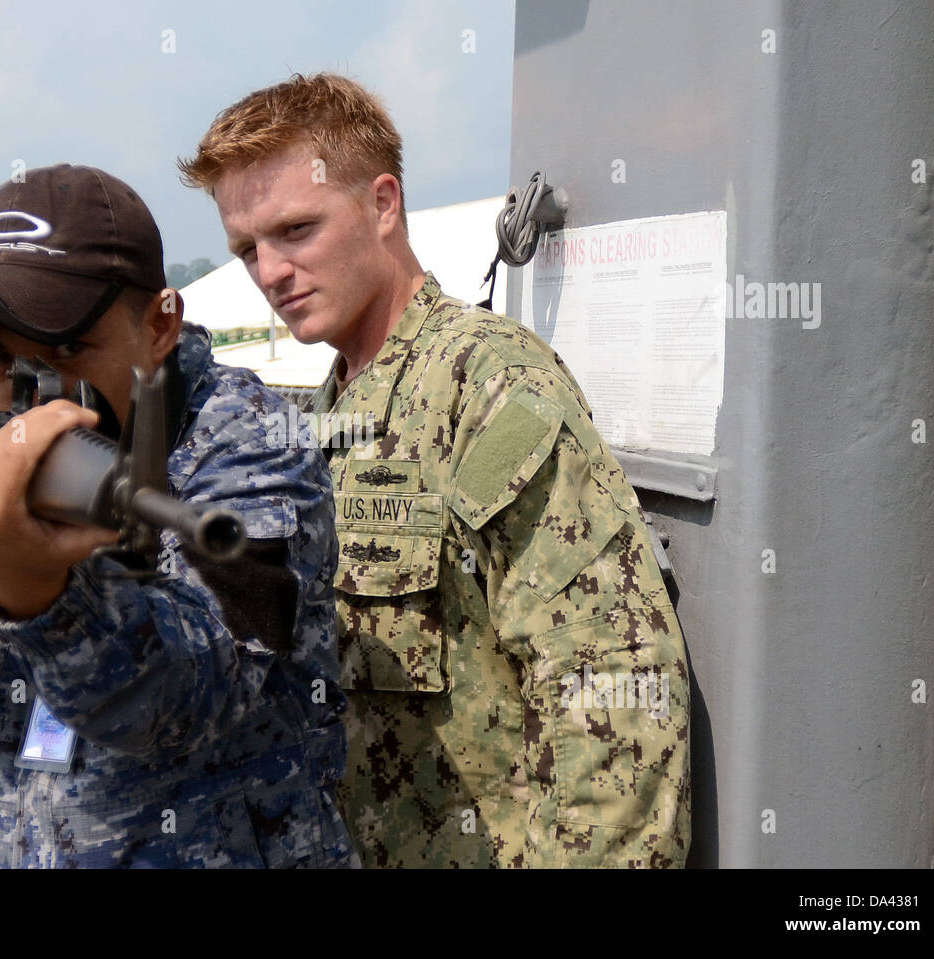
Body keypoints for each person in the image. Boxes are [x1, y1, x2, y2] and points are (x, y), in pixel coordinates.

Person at [0, 164, 356, 868]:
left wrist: (39, 594)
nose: (33, 401)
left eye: (65, 352)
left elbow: (191, 693)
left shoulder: (252, 441)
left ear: (160, 323)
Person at [180, 74, 691, 868]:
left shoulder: (486, 384)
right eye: (249, 249)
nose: (271, 272)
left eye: (296, 229)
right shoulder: (331, 417)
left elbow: (611, 683)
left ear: (383, 204)